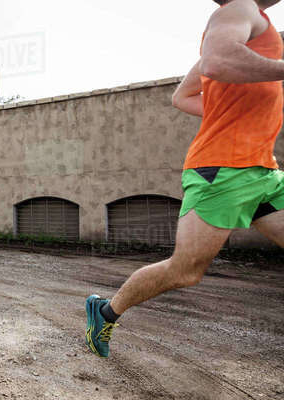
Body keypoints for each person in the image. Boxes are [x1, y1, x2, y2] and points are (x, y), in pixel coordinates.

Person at [86, 0, 284, 358]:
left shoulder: (250, 26)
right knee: (185, 271)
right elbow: (218, 62)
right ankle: (104, 311)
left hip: (264, 171)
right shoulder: (239, 10)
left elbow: (183, 96)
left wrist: (230, 111)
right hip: (223, 172)